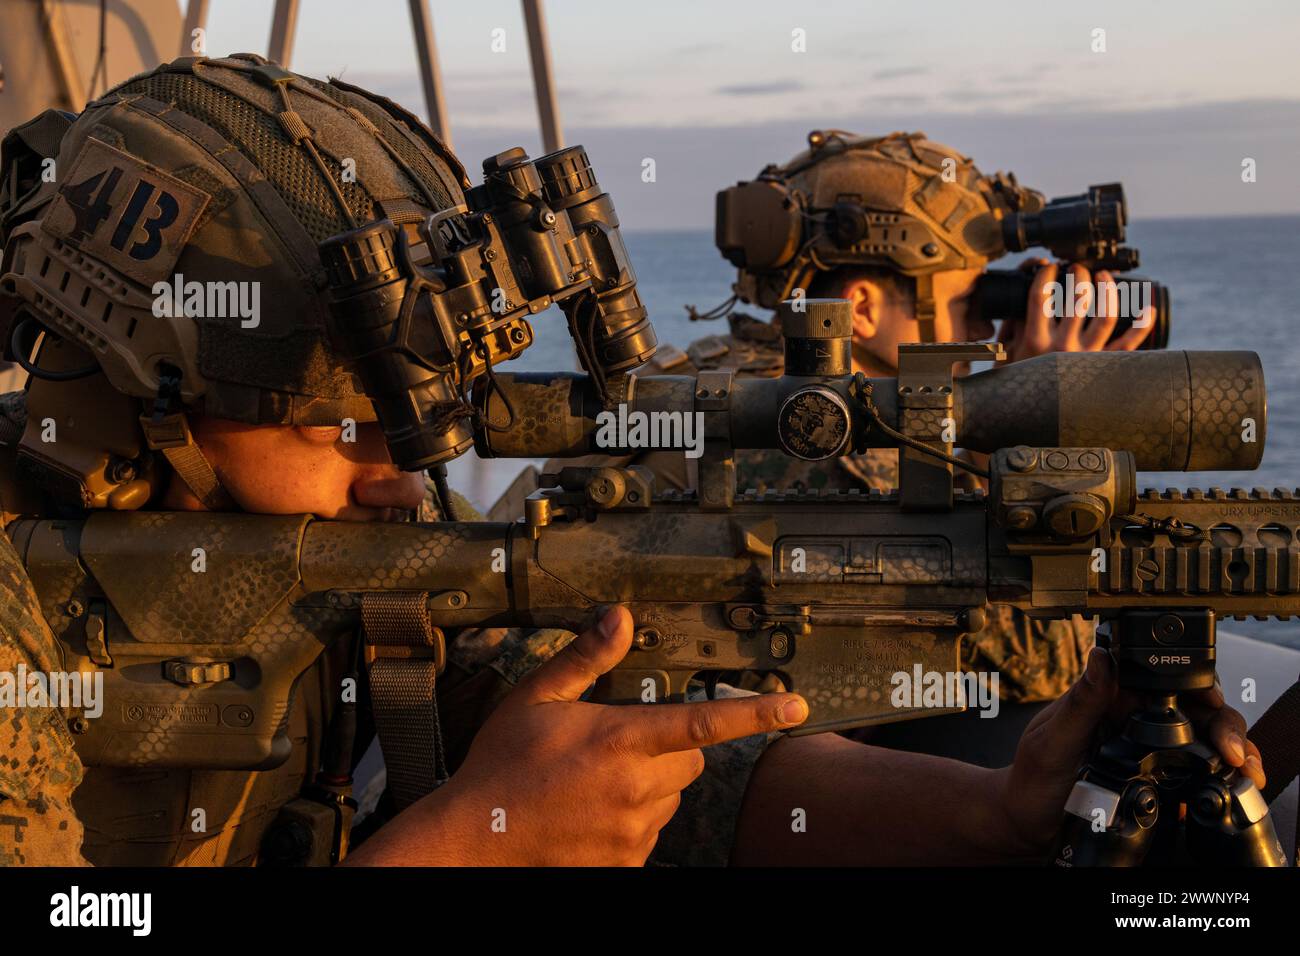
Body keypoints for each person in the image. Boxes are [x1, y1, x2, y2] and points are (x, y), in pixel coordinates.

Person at [0, 61, 1262, 868]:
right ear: (147, 384)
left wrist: (991, 817)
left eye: (428, 413)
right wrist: (469, 847)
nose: (403, 469)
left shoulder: (343, 547)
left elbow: (635, 761)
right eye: (341, 421)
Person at [569, 130, 1158, 765]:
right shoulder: (822, 444)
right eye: (968, 299)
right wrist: (1047, 434)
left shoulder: (712, 377)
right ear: (863, 308)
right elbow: (1049, 663)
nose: (988, 326)